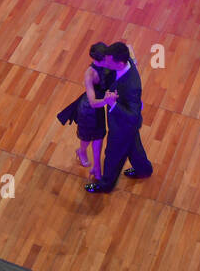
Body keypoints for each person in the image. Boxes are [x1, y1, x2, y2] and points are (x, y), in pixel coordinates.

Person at [85, 43, 152, 193]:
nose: (106, 65)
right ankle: (144, 170)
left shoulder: (132, 86)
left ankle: (106, 185)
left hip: (123, 127)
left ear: (120, 63)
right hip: (129, 127)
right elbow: (129, 45)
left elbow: (133, 116)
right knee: (134, 149)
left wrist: (113, 104)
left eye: (109, 62)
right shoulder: (125, 63)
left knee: (112, 156)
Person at [55, 42, 117, 181]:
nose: (108, 61)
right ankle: (81, 152)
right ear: (97, 59)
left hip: (100, 106)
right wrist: (108, 101)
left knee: (99, 136)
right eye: (105, 59)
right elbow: (93, 102)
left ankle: (96, 167)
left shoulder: (106, 63)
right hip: (89, 110)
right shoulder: (89, 74)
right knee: (87, 138)